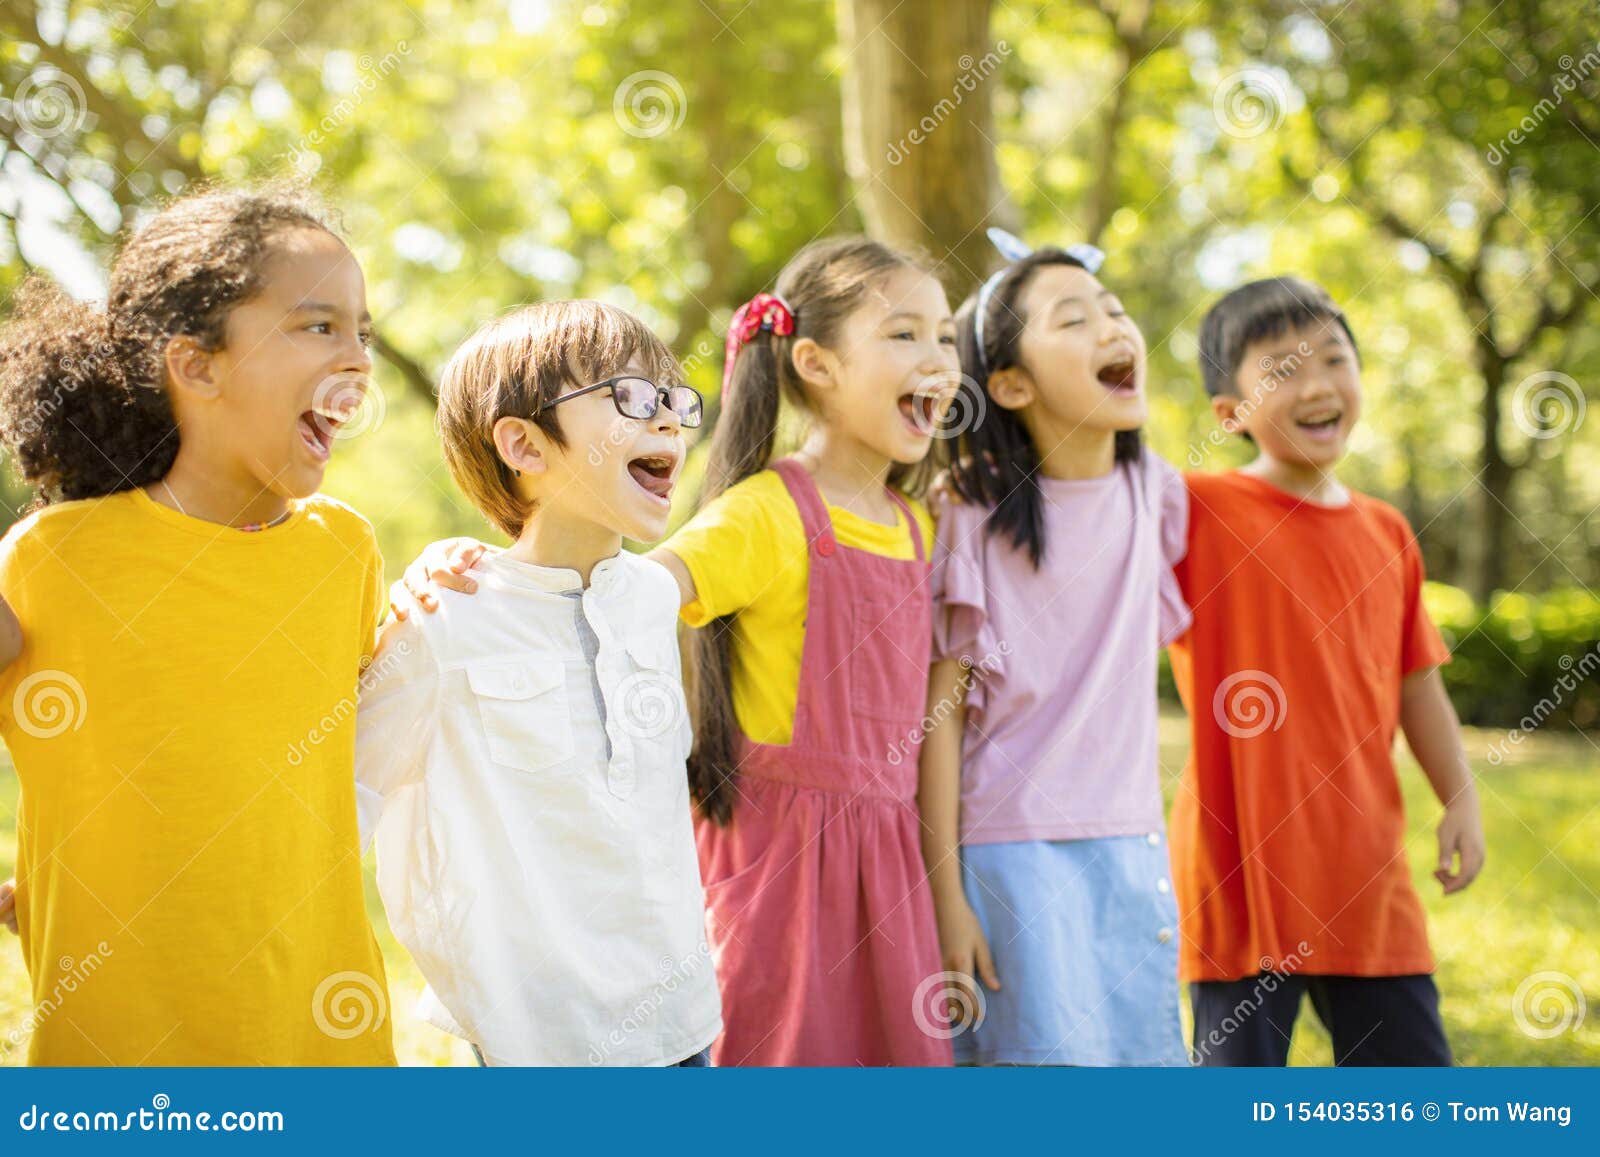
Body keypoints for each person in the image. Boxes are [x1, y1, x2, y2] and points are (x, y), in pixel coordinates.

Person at [0, 185, 394, 1064]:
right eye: (319, 325)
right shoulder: (52, 561)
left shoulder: (346, 554)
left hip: (329, 1053)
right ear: (199, 365)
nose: (358, 359)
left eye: (361, 331)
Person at [358, 301, 722, 1066]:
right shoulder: (443, 619)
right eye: (629, 396)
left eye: (672, 400)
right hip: (538, 1045)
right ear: (522, 442)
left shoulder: (656, 602)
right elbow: (335, 807)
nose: (666, 421)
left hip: (683, 1026)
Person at [1172, 275, 1486, 1066]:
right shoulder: (1194, 510)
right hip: (1240, 883)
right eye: (1281, 369)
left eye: (1335, 359)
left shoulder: (1387, 531)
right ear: (1229, 413)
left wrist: (1461, 797)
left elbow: (1420, 684)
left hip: (1366, 877)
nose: (1316, 385)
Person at [920, 232, 1190, 1065]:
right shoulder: (965, 510)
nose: (1113, 327)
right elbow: (940, 719)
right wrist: (946, 895)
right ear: (1009, 382)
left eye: (1112, 310)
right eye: (1074, 319)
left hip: (1132, 838)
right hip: (1011, 850)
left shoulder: (1157, 493)